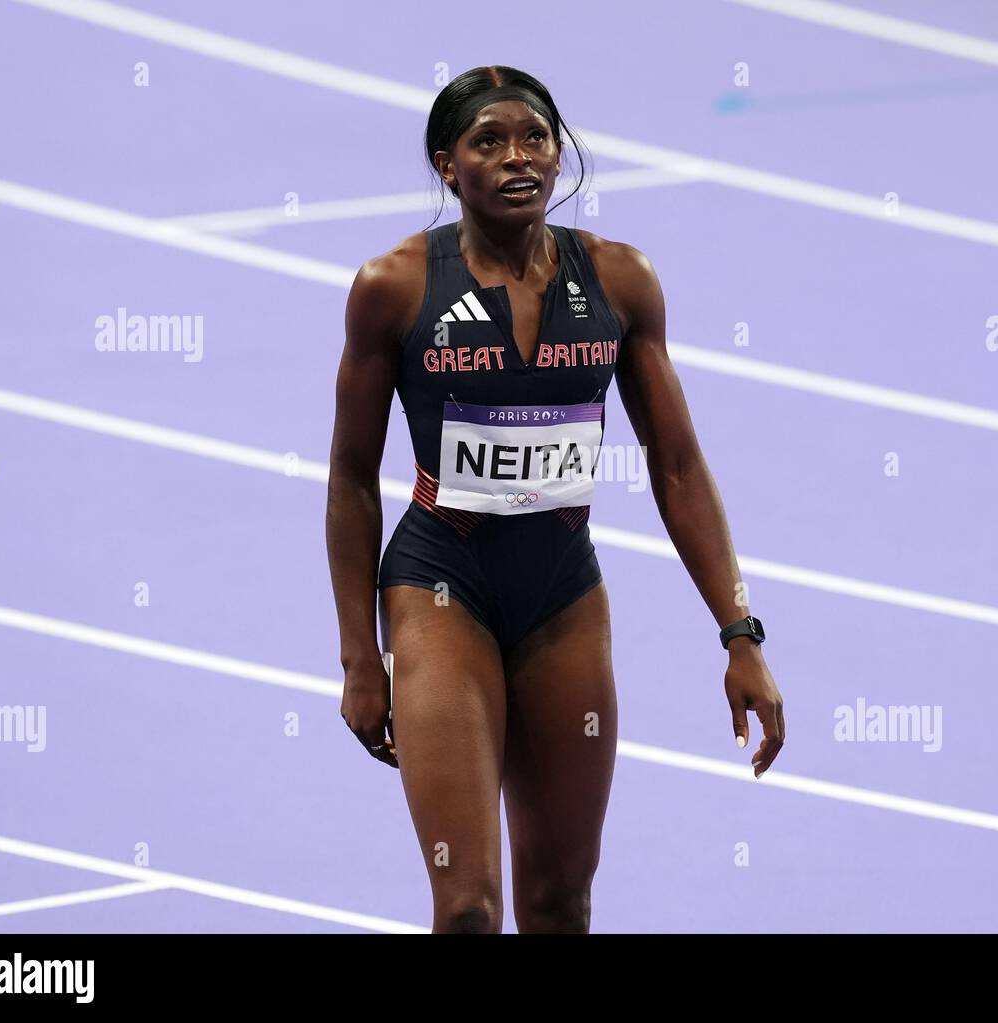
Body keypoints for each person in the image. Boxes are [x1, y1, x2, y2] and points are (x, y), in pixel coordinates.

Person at [326, 66, 785, 934]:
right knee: (466, 907)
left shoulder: (619, 282)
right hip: (438, 590)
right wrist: (359, 656)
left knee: (559, 901)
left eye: (535, 137)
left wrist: (740, 633)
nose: (518, 158)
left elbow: (678, 466)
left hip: (563, 598)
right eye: (488, 142)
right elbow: (351, 478)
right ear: (446, 166)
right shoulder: (392, 288)